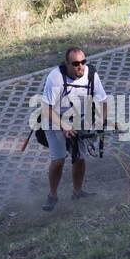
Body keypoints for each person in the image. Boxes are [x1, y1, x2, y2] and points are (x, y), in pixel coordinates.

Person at [40, 47, 108, 211]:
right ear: (67, 64)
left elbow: (103, 102)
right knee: (59, 159)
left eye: (83, 62)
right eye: (76, 63)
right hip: (54, 118)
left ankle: (77, 192)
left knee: (79, 158)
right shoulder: (55, 77)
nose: (80, 66)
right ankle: (52, 195)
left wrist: (100, 122)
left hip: (78, 119)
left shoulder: (91, 75)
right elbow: (45, 108)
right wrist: (63, 125)